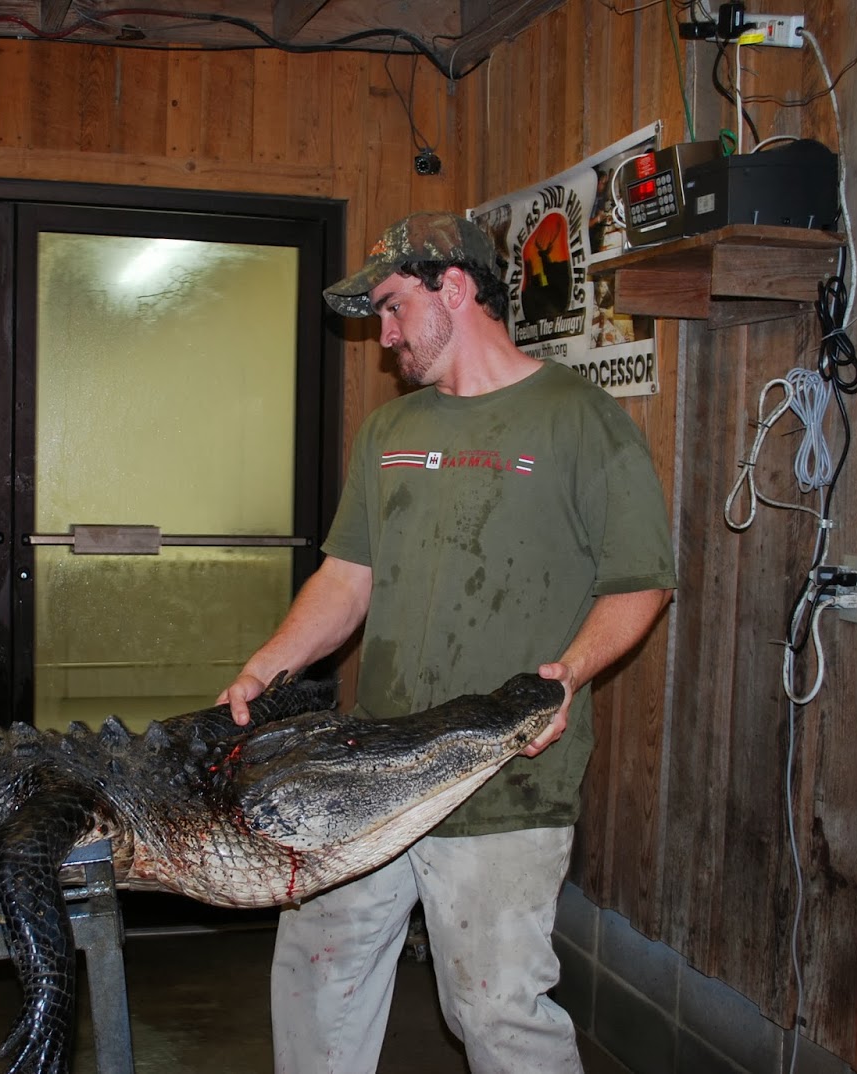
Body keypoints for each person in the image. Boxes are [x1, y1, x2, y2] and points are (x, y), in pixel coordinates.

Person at [218, 210, 677, 1074]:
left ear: (455, 289)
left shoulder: (581, 421)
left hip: (503, 775)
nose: (383, 336)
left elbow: (640, 579)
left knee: (495, 1012)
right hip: (370, 774)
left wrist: (568, 675)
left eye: (392, 308)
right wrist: (261, 668)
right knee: (318, 978)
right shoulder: (389, 433)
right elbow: (346, 579)